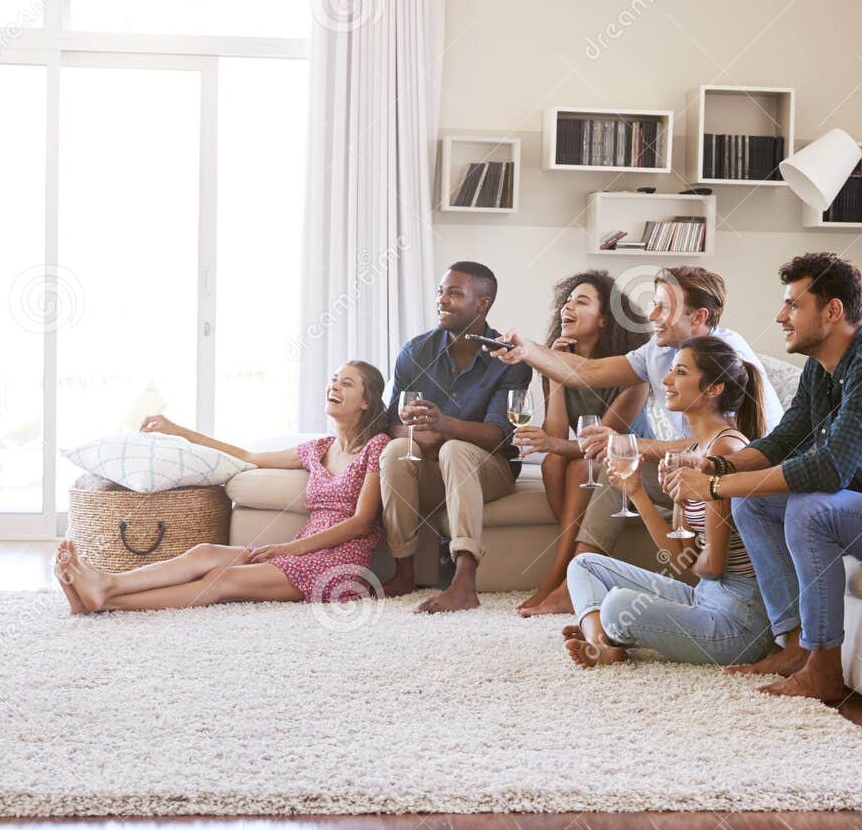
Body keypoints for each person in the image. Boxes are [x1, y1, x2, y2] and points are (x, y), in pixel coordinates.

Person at [662, 253, 862, 704]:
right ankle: (793, 646)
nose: (780, 317)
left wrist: (714, 488)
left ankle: (823, 667)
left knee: (812, 510)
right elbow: (785, 439)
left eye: (793, 306)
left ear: (833, 311)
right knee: (754, 502)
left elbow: (830, 467)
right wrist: (719, 466)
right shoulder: (822, 366)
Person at [490, 266, 783, 616]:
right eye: (653, 304)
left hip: (733, 479)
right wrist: (526, 350)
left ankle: (574, 586)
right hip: (686, 469)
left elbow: (725, 448)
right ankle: (573, 583)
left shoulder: (726, 360)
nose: (651, 316)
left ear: (699, 316)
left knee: (622, 461)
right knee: (614, 474)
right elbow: (589, 372)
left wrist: (634, 446)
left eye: (662, 307)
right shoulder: (661, 351)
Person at [53, 362, 393, 614]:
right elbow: (247, 456)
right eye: (333, 379)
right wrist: (179, 431)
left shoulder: (377, 446)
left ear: (366, 402)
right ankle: (106, 585)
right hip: (298, 550)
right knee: (204, 553)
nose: (334, 385)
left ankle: (105, 599)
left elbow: (362, 522)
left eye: (346, 383)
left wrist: (291, 549)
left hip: (337, 565)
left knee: (219, 580)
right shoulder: (317, 448)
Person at [563, 337, 776, 668]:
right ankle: (601, 643)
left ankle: (604, 634)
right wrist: (636, 491)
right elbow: (677, 557)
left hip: (738, 625)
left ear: (713, 388)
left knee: (617, 605)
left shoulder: (726, 451)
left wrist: (691, 551)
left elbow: (712, 567)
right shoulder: (692, 453)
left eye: (680, 372)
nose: (665, 381)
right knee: (584, 565)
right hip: (704, 597)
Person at [380, 261, 533, 613]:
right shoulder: (415, 352)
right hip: (433, 469)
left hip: (488, 470)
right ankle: (403, 571)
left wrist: (444, 426)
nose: (441, 300)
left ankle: (464, 579)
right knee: (395, 451)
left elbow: (500, 435)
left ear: (482, 304)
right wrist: (416, 432)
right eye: (440, 291)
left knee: (455, 450)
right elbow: (392, 423)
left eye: (454, 293)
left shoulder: (508, 358)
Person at [512, 271, 651, 616]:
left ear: (604, 320)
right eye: (567, 300)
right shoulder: (560, 361)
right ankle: (572, 571)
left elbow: (603, 441)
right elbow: (557, 437)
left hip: (632, 458)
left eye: (581, 301)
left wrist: (554, 444)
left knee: (577, 464)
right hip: (591, 459)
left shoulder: (633, 373)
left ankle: (557, 577)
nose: (567, 307)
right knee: (553, 462)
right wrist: (553, 373)